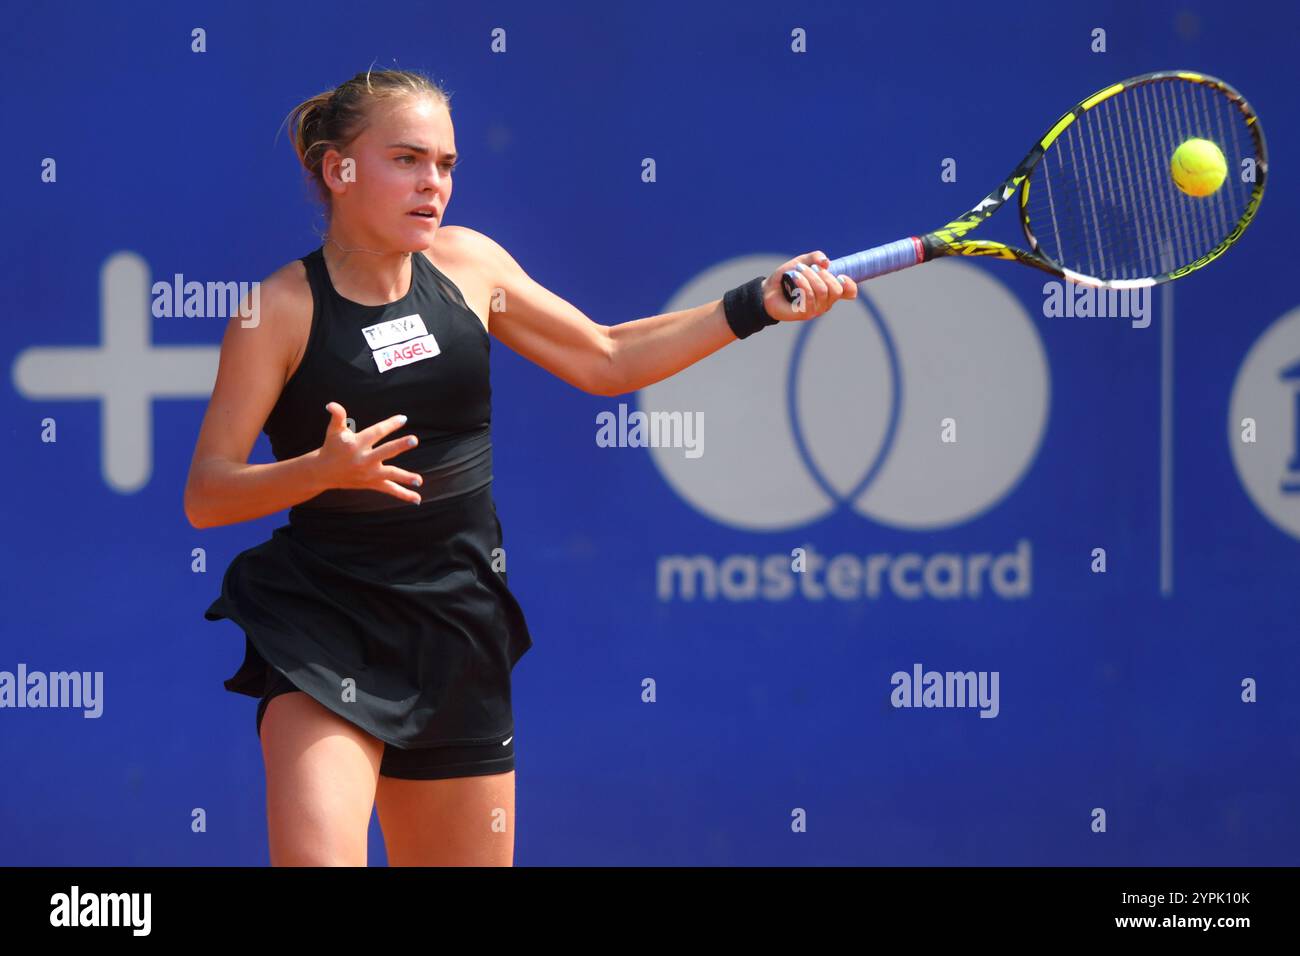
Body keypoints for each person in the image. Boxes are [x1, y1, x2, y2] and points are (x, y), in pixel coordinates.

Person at [183, 66, 856, 867]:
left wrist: (755, 306)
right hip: (324, 632)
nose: (433, 184)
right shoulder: (280, 311)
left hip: (456, 633)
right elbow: (206, 494)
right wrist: (321, 470)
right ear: (340, 169)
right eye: (407, 159)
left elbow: (606, 357)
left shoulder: (470, 266)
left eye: (446, 165)